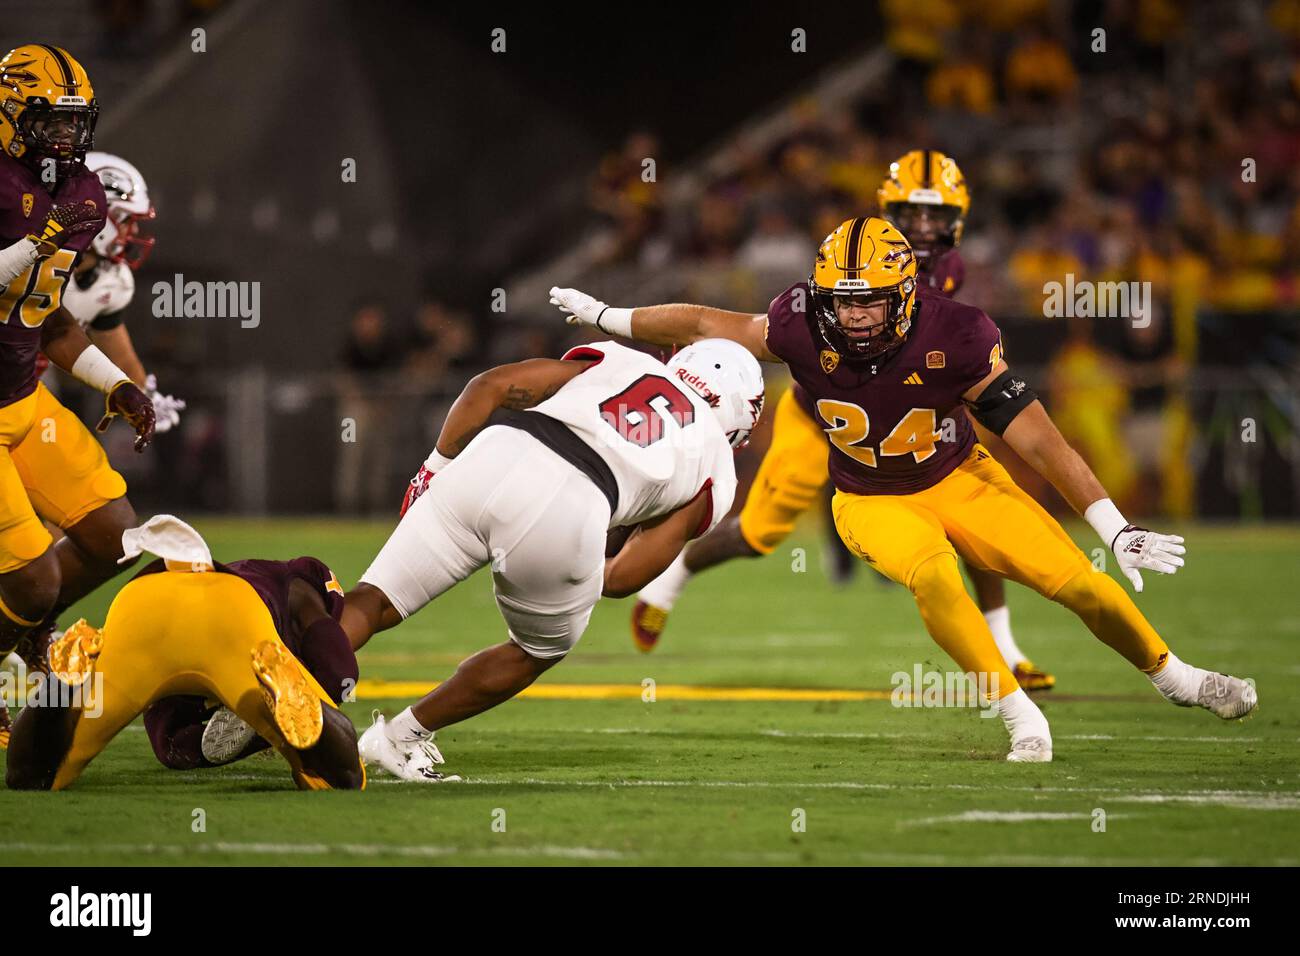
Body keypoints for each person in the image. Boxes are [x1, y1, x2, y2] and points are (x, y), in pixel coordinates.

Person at [550, 215, 1256, 762]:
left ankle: (1178, 678)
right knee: (937, 578)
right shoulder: (800, 326)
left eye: (871, 303)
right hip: (869, 498)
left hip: (960, 479)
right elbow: (707, 323)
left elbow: (1037, 436)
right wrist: (610, 318)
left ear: (908, 294)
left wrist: (1114, 526)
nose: (854, 316)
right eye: (843, 302)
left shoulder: (959, 335)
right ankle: (1017, 713)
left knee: (1082, 585)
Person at [632, 150, 1052, 690]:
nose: (923, 227)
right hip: (825, 418)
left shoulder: (950, 271)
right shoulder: (850, 257)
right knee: (758, 533)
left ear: (958, 217)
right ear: (886, 210)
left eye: (934, 215)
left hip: (906, 423)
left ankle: (1005, 647)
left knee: (973, 515)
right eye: (911, 213)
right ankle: (673, 574)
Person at [341, 338, 764, 781]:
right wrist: (571, 558)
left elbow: (490, 385)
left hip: (499, 449)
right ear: (737, 410)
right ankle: (398, 738)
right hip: (576, 500)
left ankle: (285, 683)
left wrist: (434, 468)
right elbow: (623, 579)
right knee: (535, 650)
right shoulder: (716, 463)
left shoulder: (624, 360)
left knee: (377, 598)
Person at [0, 44, 156, 743]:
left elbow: (50, 316)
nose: (63, 139)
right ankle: (19, 634)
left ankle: (22, 639)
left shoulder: (82, 196)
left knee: (120, 537)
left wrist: (115, 382)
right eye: (46, 122)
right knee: (31, 579)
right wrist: (31, 246)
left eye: (74, 123)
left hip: (22, 398)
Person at [5, 516, 364, 790]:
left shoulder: (260, 575)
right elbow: (337, 670)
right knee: (340, 776)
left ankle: (59, 686)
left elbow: (165, 731)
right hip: (234, 621)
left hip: (143, 603)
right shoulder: (303, 589)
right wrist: (309, 692)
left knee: (33, 776)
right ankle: (275, 706)